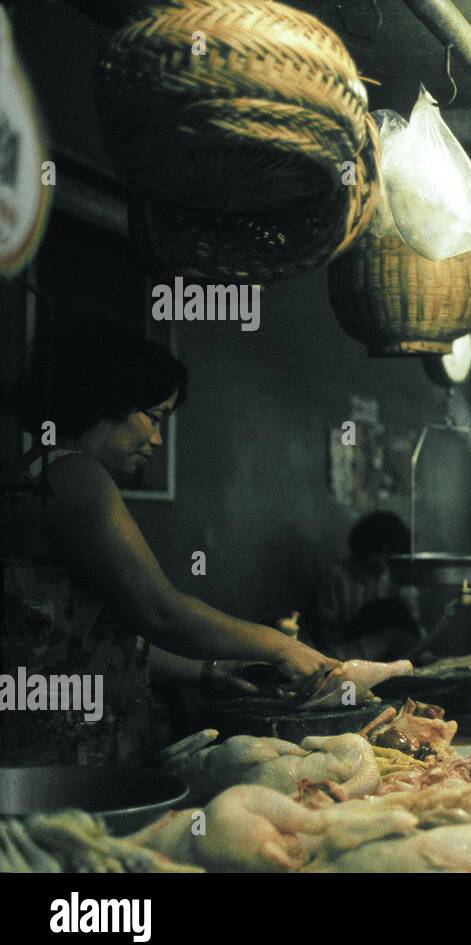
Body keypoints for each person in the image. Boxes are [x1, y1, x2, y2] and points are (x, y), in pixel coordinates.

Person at [1, 320, 337, 767]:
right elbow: (161, 612)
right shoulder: (75, 476)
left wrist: (212, 671)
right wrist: (281, 646)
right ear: (109, 399)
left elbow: (93, 635)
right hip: (59, 756)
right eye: (155, 417)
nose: (157, 439)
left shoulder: (34, 470)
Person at [308, 510, 419, 660]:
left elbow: (411, 621)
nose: (381, 561)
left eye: (388, 555)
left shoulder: (391, 575)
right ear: (364, 548)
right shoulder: (337, 575)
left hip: (392, 647)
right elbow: (324, 629)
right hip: (351, 647)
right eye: (377, 553)